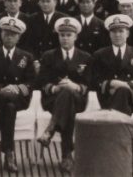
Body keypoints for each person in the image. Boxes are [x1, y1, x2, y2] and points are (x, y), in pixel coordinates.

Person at [0, 15, 36, 171]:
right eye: (6, 33)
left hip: (19, 98)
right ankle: (9, 153)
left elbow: (32, 82)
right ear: (1, 34)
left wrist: (16, 88)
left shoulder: (26, 57)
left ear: (19, 37)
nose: (9, 37)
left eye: (13, 34)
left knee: (8, 101)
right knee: (8, 107)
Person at [35, 17, 92, 173]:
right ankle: (66, 155)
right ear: (58, 36)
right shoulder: (48, 56)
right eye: (62, 35)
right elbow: (41, 81)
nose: (65, 38)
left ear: (76, 36)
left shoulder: (85, 57)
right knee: (67, 101)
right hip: (53, 99)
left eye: (68, 35)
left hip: (78, 98)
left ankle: (51, 129)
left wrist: (75, 86)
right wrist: (54, 89)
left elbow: (89, 82)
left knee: (68, 94)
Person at [92, 14, 133, 115]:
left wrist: (128, 85)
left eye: (121, 31)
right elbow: (94, 80)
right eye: (114, 31)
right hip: (109, 96)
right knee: (121, 93)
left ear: (127, 33)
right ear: (109, 34)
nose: (117, 35)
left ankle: (116, 127)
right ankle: (122, 128)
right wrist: (111, 83)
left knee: (123, 91)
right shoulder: (99, 54)